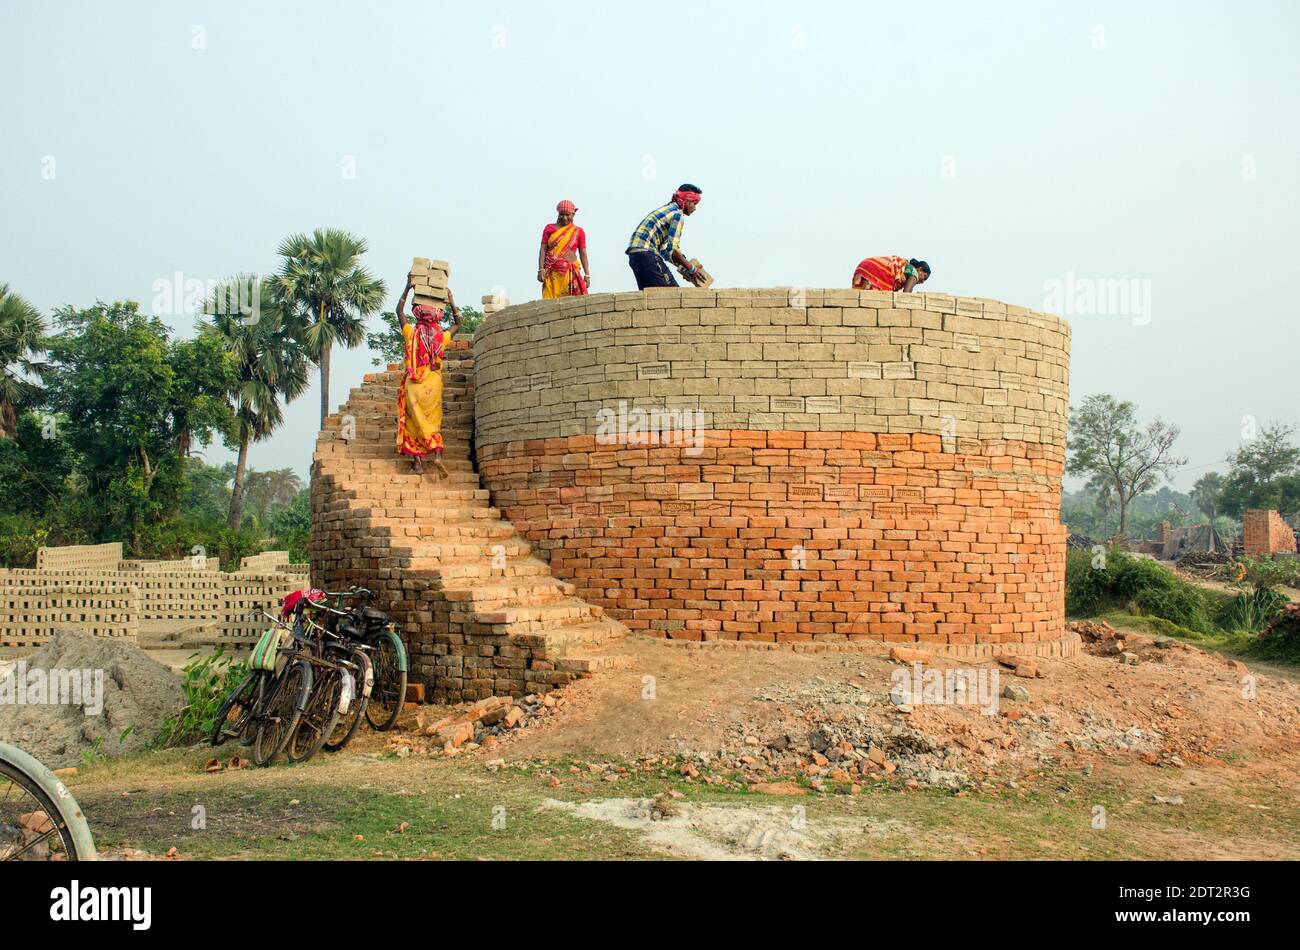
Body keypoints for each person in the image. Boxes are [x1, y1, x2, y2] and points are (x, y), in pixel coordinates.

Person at [395, 275, 460, 478]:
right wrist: (451, 300)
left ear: (418, 314)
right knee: (433, 422)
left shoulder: (411, 333)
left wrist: (407, 288)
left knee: (414, 424)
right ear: (437, 316)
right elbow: (458, 323)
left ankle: (418, 464)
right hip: (432, 385)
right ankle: (438, 455)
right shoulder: (440, 336)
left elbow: (398, 312)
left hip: (413, 384)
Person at [625, 184, 703, 289]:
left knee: (652, 298)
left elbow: (665, 251)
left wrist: (684, 268)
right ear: (687, 200)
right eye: (694, 203)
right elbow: (673, 250)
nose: (695, 208)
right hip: (647, 253)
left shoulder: (668, 210)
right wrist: (692, 269)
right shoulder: (677, 214)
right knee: (673, 294)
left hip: (635, 256)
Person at [537, 200, 591, 298]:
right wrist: (541, 269)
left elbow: (583, 253)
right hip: (551, 271)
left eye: (568, 215)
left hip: (570, 272)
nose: (564, 218)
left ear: (573, 214)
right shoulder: (549, 228)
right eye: (562, 214)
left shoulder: (578, 232)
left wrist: (587, 274)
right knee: (549, 302)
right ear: (558, 214)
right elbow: (543, 249)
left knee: (573, 303)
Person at [852, 256, 931, 293]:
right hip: (875, 270)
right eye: (924, 277)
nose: (923, 281)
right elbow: (907, 295)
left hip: (863, 266)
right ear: (920, 269)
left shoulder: (905, 267)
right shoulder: (914, 272)